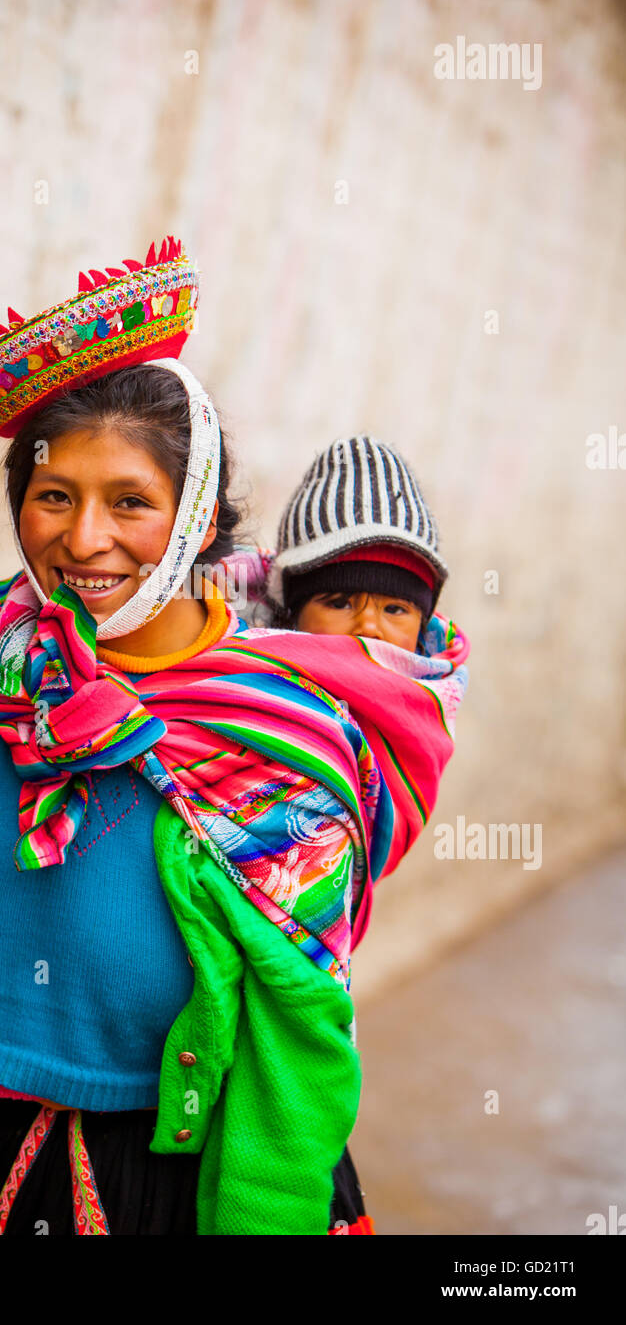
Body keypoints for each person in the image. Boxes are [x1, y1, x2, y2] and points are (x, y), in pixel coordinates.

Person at [0, 239, 467, 1236]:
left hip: (173, 1183)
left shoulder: (281, 737)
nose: (83, 540)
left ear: (197, 515)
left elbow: (294, 1048)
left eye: (129, 501)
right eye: (52, 496)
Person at [229, 434, 471, 1230]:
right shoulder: (230, 693)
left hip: (314, 979)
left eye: (396, 606)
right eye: (339, 601)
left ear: (425, 623)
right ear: (292, 608)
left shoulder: (414, 719)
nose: (368, 626)